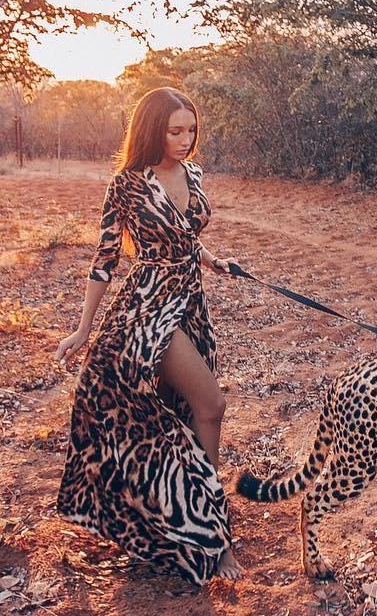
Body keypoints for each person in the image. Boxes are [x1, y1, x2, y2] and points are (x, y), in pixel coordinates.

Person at [54, 87, 242, 581]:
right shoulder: (127, 185)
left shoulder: (193, 173)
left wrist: (213, 260)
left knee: (178, 417)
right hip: (150, 307)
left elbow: (183, 236)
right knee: (211, 406)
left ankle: (181, 521)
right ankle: (214, 536)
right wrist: (82, 328)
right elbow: (105, 259)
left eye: (191, 130)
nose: (185, 140)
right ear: (152, 130)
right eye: (174, 130)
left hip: (191, 301)